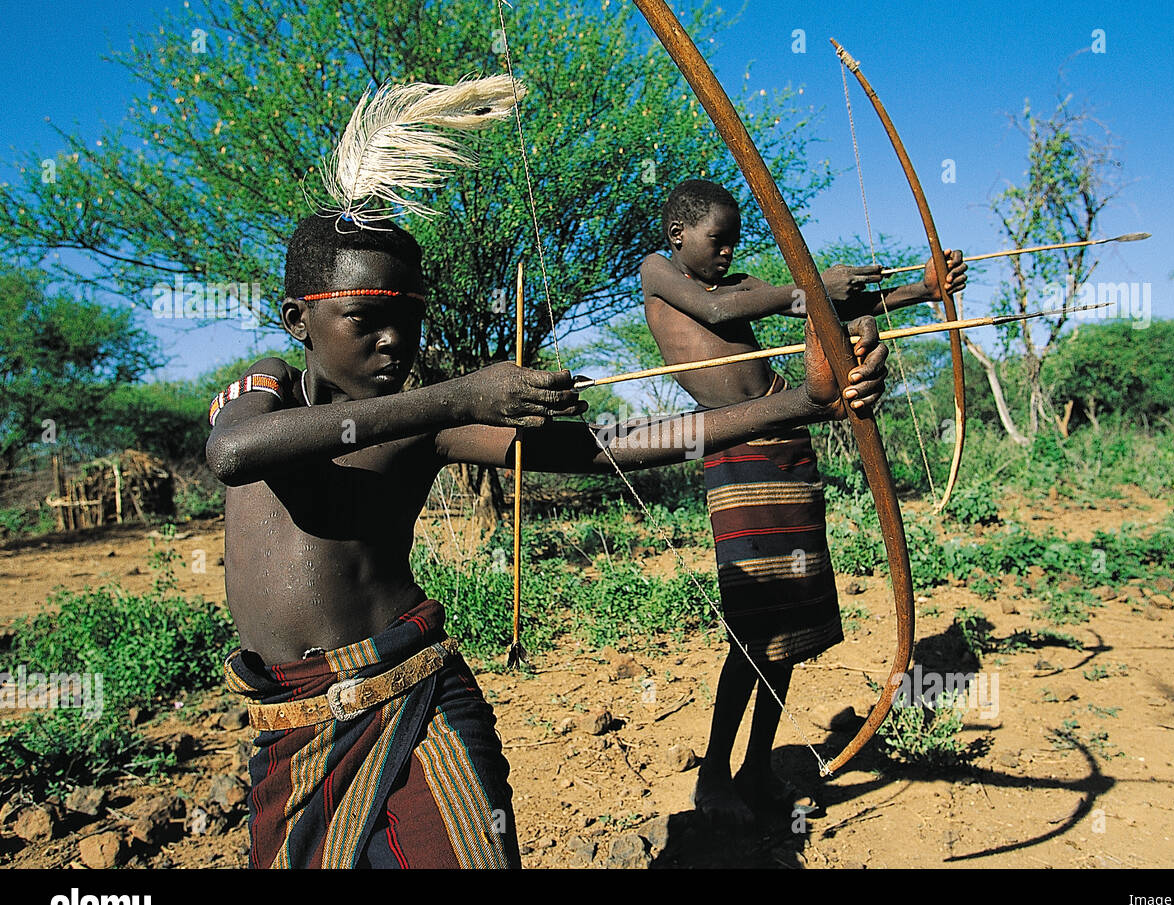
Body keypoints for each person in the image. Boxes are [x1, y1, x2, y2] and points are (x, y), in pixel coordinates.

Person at [207, 211, 886, 867]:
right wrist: (459, 396)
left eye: (410, 320)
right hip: (289, 725)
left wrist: (804, 402)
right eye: (364, 318)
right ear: (298, 319)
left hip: (416, 704)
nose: (393, 341)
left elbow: (618, 445)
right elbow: (235, 453)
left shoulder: (427, 425)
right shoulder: (263, 393)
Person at [639, 179, 966, 826]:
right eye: (717, 239)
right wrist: (808, 290)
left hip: (789, 437)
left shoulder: (745, 286)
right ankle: (713, 777)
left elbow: (832, 314)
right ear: (679, 235)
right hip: (739, 449)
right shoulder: (658, 273)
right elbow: (724, 314)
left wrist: (920, 291)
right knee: (754, 629)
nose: (729, 251)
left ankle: (757, 767)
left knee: (788, 628)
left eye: (735, 240)